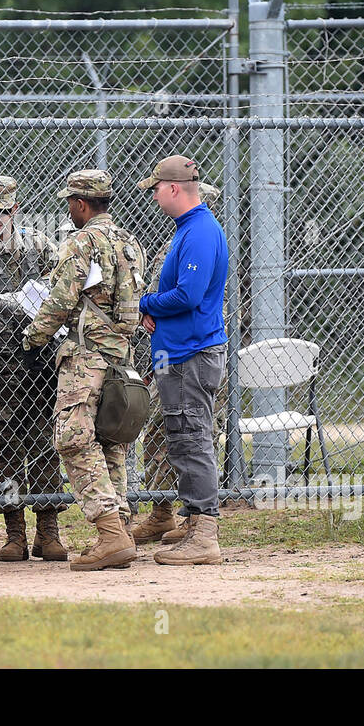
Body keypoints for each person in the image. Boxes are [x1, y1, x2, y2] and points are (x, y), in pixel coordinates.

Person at [23, 170, 146, 572]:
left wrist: (33, 336)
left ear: (80, 204)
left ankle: (110, 534)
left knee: (73, 438)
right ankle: (122, 530)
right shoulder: (131, 243)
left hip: (86, 358)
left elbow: (61, 299)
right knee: (111, 440)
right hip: (121, 356)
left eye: (70, 203)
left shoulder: (81, 242)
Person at [0, 175, 68, 562]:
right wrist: (7, 302)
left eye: (3, 212)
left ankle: (48, 529)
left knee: (43, 443)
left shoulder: (39, 244)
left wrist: (36, 299)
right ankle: (14, 532)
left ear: (15, 210)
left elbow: (65, 281)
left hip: (40, 361)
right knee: (4, 445)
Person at [137, 156, 229, 564]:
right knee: (181, 437)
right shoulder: (188, 229)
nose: (153, 196)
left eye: (155, 188)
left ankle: (205, 534)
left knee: (193, 439)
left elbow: (188, 296)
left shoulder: (200, 232)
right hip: (177, 354)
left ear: (174, 188)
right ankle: (193, 521)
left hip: (193, 354)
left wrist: (142, 302)